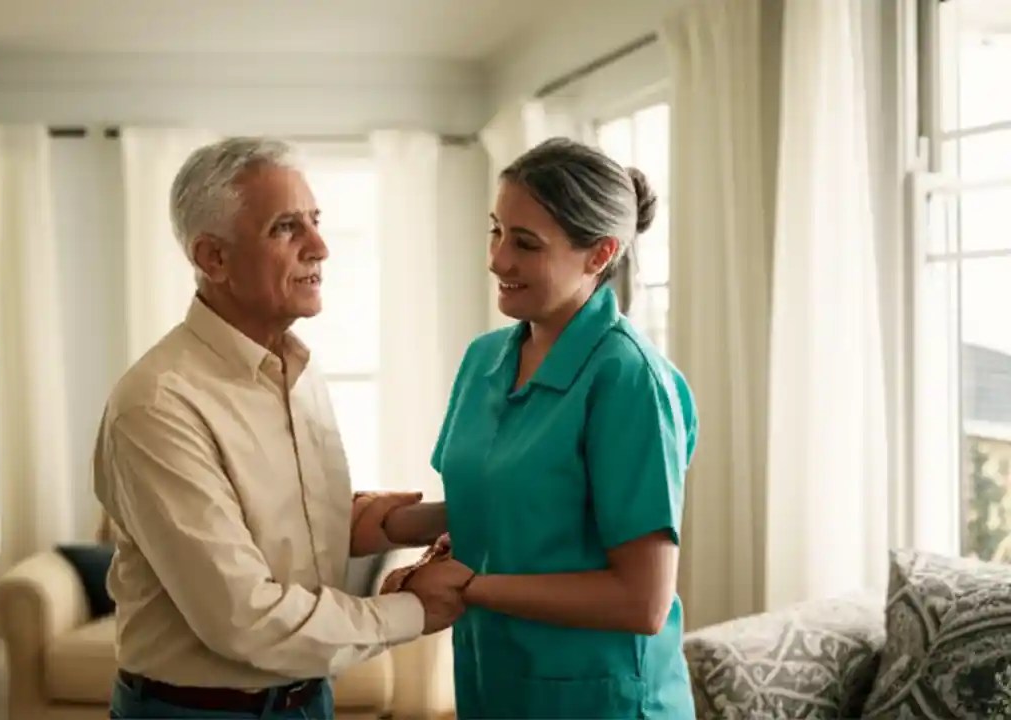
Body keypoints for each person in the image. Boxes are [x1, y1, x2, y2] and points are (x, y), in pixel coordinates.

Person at [92, 137, 468, 720]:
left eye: (315, 222)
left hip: (307, 699)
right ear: (213, 257)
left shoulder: (296, 370)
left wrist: (435, 519)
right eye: (286, 228)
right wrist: (412, 610)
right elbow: (244, 617)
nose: (320, 247)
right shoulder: (157, 406)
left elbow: (286, 522)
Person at [381, 137, 698, 719]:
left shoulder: (628, 379)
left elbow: (643, 599)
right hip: (495, 683)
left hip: (600, 701)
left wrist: (467, 586)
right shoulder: (484, 360)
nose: (498, 260)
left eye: (525, 243)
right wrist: (389, 523)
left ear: (599, 254)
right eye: (496, 231)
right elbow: (511, 504)